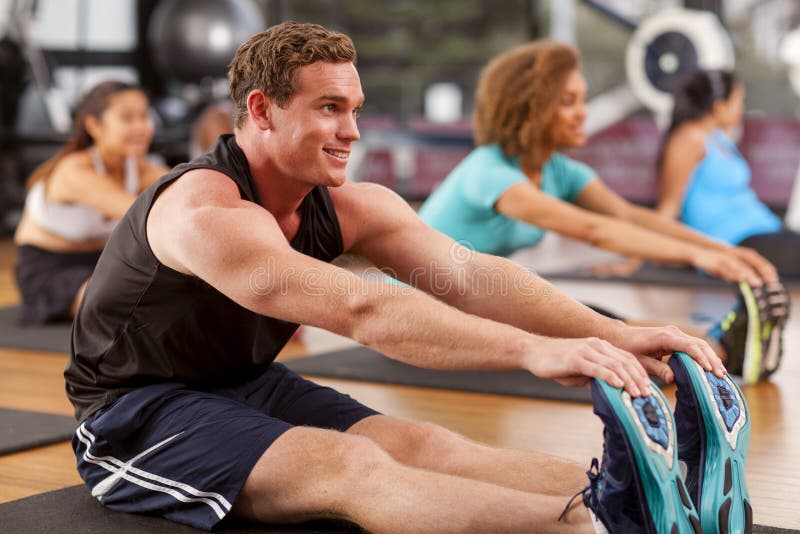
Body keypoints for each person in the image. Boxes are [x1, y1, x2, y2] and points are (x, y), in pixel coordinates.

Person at [66, 23, 735, 533]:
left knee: (423, 444)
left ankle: (661, 496)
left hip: (245, 382)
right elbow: (366, 311)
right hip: (137, 412)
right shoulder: (204, 212)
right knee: (351, 467)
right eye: (329, 108)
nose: (351, 131)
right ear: (263, 110)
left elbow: (473, 277)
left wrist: (617, 334)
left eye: (355, 109)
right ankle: (595, 524)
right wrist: (536, 351)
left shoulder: (349, 206)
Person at [417, 40, 786, 383]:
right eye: (568, 102)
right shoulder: (489, 171)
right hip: (424, 306)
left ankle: (723, 347)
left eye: (583, 100)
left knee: (596, 321)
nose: (583, 113)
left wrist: (721, 250)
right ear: (529, 107)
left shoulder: (558, 170)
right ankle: (724, 348)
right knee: (587, 327)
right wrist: (698, 255)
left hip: (477, 299)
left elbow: (628, 216)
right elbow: (593, 229)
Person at [13, 80, 168, 324]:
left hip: (105, 262)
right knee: (121, 300)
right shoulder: (73, 170)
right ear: (94, 126)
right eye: (127, 118)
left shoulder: (141, 169)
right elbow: (137, 214)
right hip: (51, 268)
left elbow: (185, 193)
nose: (141, 127)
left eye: (144, 117)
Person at [657, 69, 800, 278]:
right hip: (734, 241)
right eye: (738, 102)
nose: (741, 109)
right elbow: (668, 207)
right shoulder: (688, 138)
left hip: (767, 230)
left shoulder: (719, 139)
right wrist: (636, 258)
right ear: (719, 106)